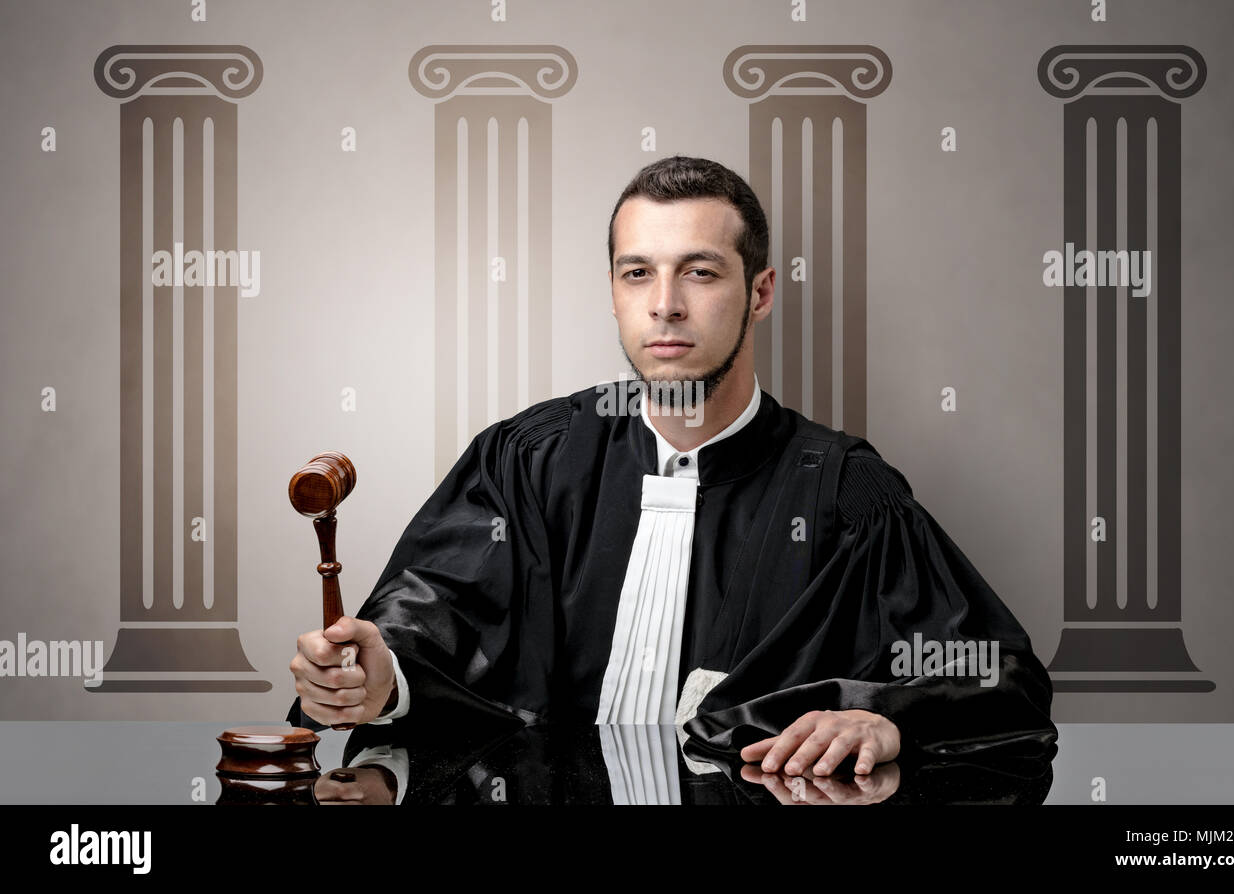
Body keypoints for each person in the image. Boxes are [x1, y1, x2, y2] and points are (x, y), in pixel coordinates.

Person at [289, 155, 1057, 780]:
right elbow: (425, 626)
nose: (665, 306)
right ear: (614, 294)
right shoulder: (528, 459)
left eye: (699, 272)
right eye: (637, 274)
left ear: (758, 293)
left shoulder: (845, 491)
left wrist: (883, 714)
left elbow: (998, 673)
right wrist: (379, 677)